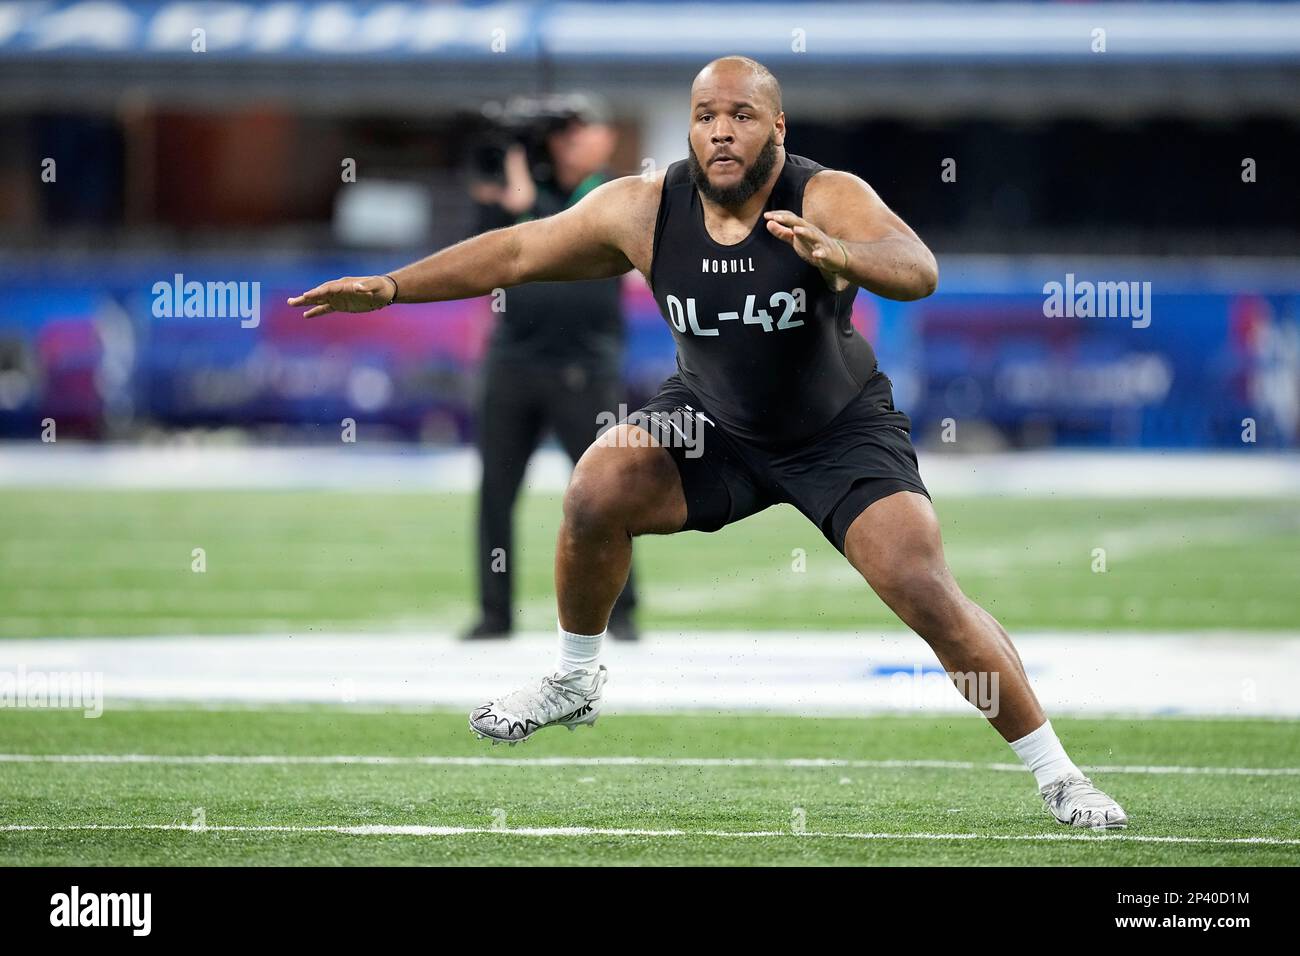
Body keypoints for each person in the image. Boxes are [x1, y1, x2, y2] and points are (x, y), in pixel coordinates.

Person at [290, 56, 1128, 830]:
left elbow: (917, 268)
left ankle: (1059, 774)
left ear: (778, 128)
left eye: (741, 115)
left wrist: (843, 253)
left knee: (922, 587)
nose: (721, 129)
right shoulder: (644, 206)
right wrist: (394, 286)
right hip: (711, 422)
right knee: (595, 487)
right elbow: (516, 247)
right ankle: (576, 679)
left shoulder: (825, 192)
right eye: (704, 115)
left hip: (835, 432)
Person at [461, 96, 641, 642]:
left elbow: (563, 228)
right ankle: (495, 613)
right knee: (496, 490)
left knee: (605, 491)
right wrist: (515, 161)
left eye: (582, 129)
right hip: (514, 361)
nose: (577, 139)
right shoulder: (515, 189)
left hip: (585, 367)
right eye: (565, 132)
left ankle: (623, 612)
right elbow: (496, 231)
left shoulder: (609, 195)